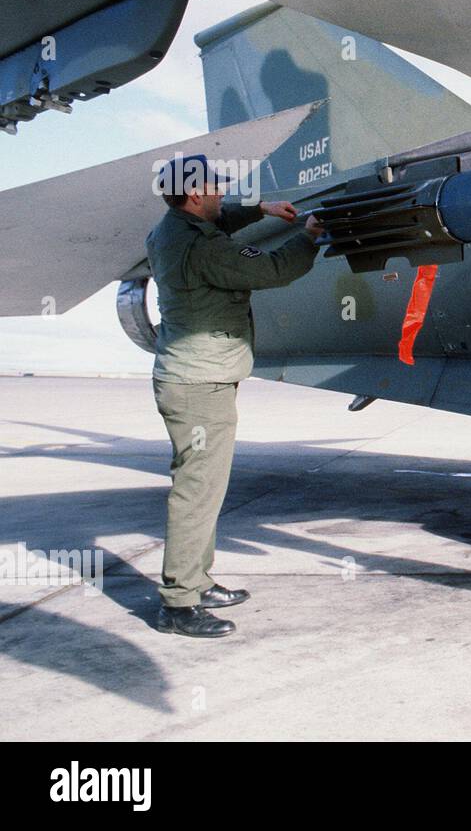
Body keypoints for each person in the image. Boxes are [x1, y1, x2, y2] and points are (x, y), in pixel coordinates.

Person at [146, 154, 323, 637]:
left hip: (194, 378)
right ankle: (178, 604)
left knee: (205, 489)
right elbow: (271, 270)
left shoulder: (169, 228)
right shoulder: (205, 249)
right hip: (200, 386)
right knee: (197, 492)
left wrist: (263, 209)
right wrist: (308, 236)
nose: (223, 192)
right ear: (196, 193)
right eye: (215, 186)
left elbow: (220, 218)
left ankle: (197, 582)